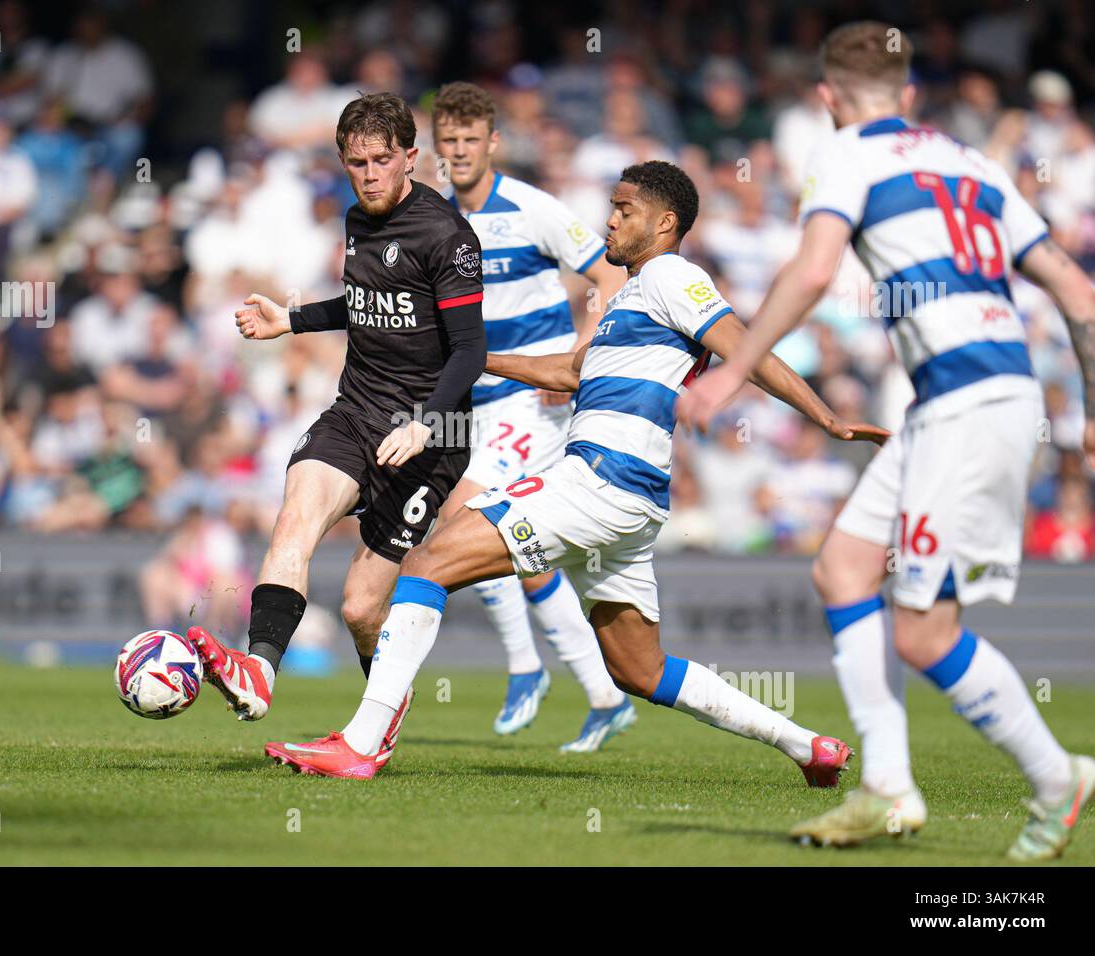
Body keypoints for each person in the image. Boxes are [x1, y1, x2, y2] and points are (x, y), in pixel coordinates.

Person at [262, 160, 887, 782]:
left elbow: (744, 346)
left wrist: (826, 418)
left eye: (624, 210)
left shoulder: (673, 276)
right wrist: (471, 357)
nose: (608, 221)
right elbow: (565, 372)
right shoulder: (633, 297)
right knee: (639, 671)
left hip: (601, 479)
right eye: (610, 207)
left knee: (426, 565)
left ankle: (363, 744)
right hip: (631, 501)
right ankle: (808, 747)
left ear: (666, 223)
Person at [677, 21, 1095, 860]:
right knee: (840, 569)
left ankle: (1059, 779)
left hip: (969, 406)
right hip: (966, 400)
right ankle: (888, 789)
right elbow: (1078, 294)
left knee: (922, 633)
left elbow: (815, 269)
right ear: (909, 96)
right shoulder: (975, 163)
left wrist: (732, 372)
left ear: (828, 98)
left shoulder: (847, 156)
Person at [189, 93, 486, 773]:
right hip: (356, 410)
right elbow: (368, 302)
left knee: (359, 609)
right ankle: (259, 669)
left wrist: (425, 421)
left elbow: (469, 351)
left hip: (429, 436)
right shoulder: (358, 219)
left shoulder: (448, 236)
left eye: (384, 160)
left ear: (411, 157)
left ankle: (384, 700)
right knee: (296, 511)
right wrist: (292, 320)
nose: (371, 174)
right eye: (358, 162)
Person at [432, 81, 635, 751]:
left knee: (463, 518)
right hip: (469, 404)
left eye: (470, 140)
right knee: (521, 546)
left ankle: (525, 669)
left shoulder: (531, 208)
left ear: (492, 143)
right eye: (449, 141)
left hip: (532, 398)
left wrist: (581, 351)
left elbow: (612, 275)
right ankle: (605, 696)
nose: (460, 152)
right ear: (437, 148)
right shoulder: (433, 216)